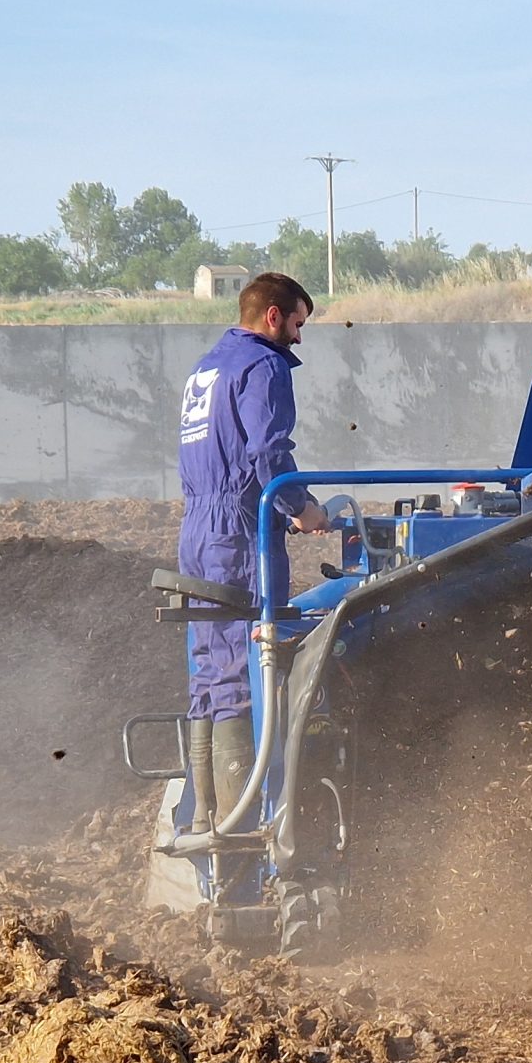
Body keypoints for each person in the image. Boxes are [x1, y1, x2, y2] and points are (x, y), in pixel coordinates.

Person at [175, 271, 329, 837]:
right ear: (272, 316)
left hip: (197, 528)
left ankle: (205, 818)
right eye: (298, 323)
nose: (299, 337)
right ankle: (240, 830)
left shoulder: (206, 367)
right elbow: (267, 451)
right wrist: (301, 507)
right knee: (244, 664)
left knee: (209, 670)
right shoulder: (263, 366)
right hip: (238, 531)